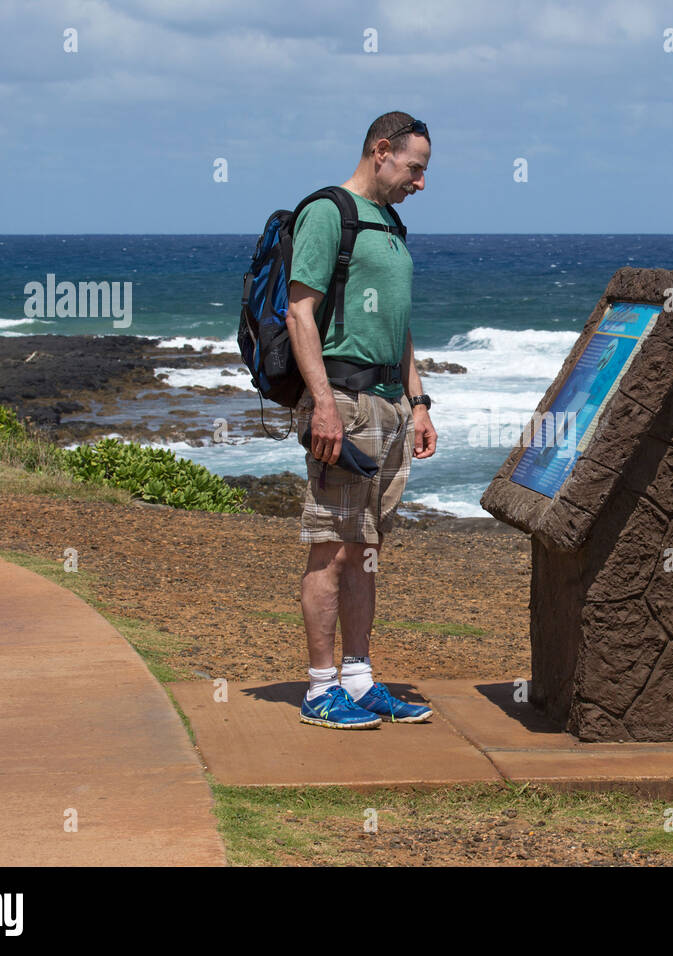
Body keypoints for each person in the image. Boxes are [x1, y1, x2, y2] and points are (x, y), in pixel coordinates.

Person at [285, 112, 438, 730]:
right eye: (415, 168)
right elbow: (301, 313)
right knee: (331, 549)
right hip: (344, 404)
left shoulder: (391, 224)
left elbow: (397, 328)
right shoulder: (327, 213)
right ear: (381, 151)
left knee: (365, 548)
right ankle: (322, 690)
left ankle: (358, 678)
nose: (420, 183)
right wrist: (322, 403)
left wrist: (420, 402)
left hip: (389, 406)